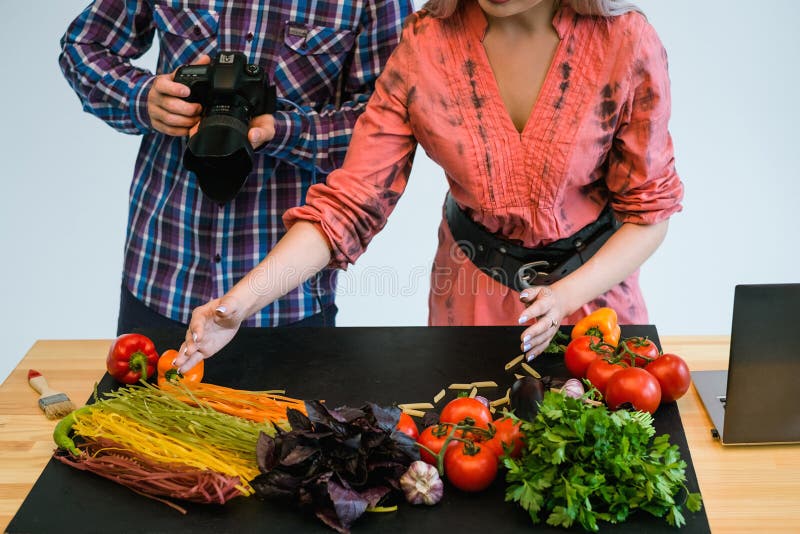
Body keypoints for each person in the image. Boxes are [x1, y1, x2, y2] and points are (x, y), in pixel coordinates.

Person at [174, 0, 684, 373]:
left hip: (595, 300)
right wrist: (238, 304)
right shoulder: (425, 45)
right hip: (469, 301)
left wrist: (565, 294)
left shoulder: (626, 41)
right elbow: (349, 205)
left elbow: (649, 216)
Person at [59, 0, 413, 334]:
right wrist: (144, 97)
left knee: (298, 403)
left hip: (287, 296)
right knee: (136, 401)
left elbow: (388, 126)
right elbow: (83, 47)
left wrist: (282, 129)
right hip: (161, 269)